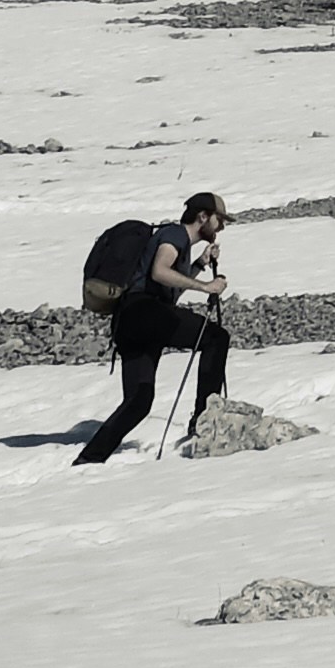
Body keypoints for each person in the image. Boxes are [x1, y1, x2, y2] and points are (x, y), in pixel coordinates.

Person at [75, 192, 234, 465]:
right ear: (203, 217)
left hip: (128, 320)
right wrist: (207, 287)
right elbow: (159, 272)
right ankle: (204, 418)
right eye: (220, 220)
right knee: (216, 337)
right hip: (144, 312)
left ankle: (89, 460)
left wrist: (198, 265)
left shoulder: (178, 244)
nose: (222, 227)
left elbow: (168, 291)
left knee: (139, 401)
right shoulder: (175, 234)